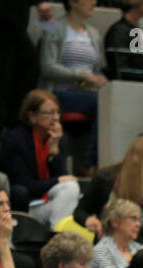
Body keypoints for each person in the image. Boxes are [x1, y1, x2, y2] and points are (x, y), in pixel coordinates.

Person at [0, 90, 80, 229]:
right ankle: (58, 236)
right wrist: (57, 181)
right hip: (23, 206)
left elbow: (62, 178)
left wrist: (53, 151)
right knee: (68, 186)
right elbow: (23, 186)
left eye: (57, 112)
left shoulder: (60, 139)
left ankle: (57, 234)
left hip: (49, 204)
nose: (55, 118)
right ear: (32, 116)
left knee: (71, 188)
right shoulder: (15, 139)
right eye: (49, 113)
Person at [37, 0, 105, 171]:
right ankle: (92, 163)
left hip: (87, 92)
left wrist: (99, 80)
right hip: (59, 92)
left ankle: (95, 163)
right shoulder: (55, 28)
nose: (93, 2)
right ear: (73, 2)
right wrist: (80, 76)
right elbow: (47, 66)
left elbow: (98, 69)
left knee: (109, 100)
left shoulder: (94, 33)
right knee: (101, 102)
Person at [73, 135, 143, 247]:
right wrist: (88, 220)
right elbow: (79, 213)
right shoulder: (105, 179)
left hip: (141, 252)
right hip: (106, 248)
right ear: (140, 163)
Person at [88, 198, 143, 268]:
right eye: (133, 218)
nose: (138, 224)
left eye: (139, 220)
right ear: (114, 222)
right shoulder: (100, 253)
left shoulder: (140, 249)